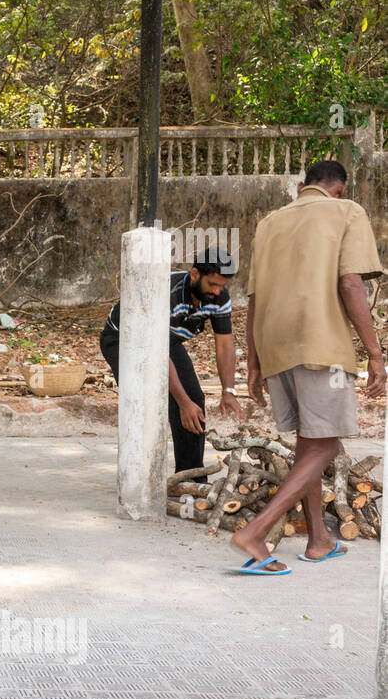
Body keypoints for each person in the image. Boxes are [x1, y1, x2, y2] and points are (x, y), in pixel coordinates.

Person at [231, 160, 386, 574]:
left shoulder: (269, 223)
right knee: (326, 444)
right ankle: (256, 531)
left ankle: (319, 539)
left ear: (304, 186)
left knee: (308, 444)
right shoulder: (346, 211)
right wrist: (375, 352)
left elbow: (254, 297)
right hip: (321, 344)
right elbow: (351, 284)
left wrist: (254, 364)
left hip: (274, 343)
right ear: (338, 188)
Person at [99, 248, 246, 477]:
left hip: (165, 342)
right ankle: (139, 479)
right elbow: (154, 352)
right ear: (195, 275)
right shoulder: (165, 293)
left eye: (222, 286)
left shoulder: (218, 298)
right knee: (147, 400)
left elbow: (225, 345)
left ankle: (190, 478)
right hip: (124, 340)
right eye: (212, 285)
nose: (217, 292)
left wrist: (228, 391)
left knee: (195, 399)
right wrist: (182, 402)